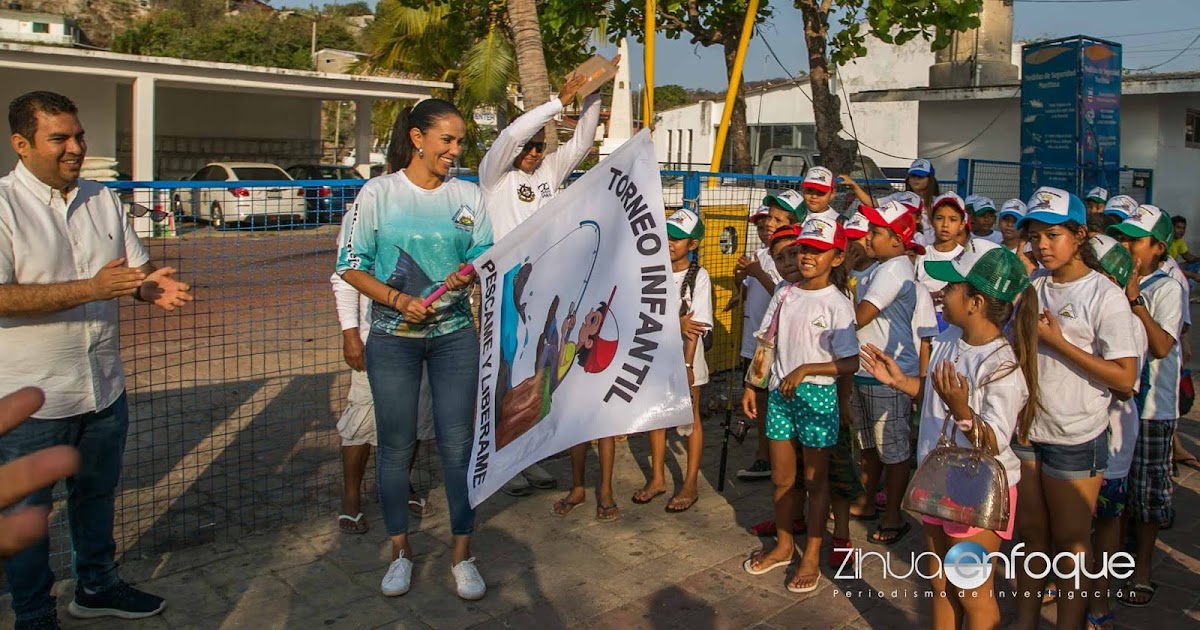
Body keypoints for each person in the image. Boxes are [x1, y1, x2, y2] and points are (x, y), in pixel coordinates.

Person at [0, 91, 193, 628]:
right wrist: (94, 287)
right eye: (59, 138)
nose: (75, 148)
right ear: (22, 144)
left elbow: (131, 268)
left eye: (78, 136)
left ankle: (97, 586)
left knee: (96, 497)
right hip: (31, 399)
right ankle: (34, 614)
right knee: (25, 513)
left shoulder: (100, 198)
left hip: (102, 387)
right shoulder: (3, 205)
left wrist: (149, 287)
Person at [336, 98, 493, 601]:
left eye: (461, 141)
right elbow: (351, 265)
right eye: (447, 139)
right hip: (392, 340)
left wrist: (468, 271)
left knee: (457, 445)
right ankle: (400, 552)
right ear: (417, 138)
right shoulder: (378, 193)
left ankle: (462, 557)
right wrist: (398, 299)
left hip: (454, 337)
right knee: (396, 445)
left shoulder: (469, 196)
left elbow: (485, 254)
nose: (455, 149)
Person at [862, 238, 1038, 630]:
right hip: (938, 479)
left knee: (971, 593)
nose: (942, 292)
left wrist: (962, 410)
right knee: (940, 584)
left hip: (977, 491)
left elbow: (993, 441)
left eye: (953, 287)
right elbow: (933, 393)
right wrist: (904, 382)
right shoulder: (947, 340)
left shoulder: (1001, 366)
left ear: (975, 302)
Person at [479, 69, 610, 498]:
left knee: (537, 370)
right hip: (506, 283)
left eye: (540, 146)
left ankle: (526, 456)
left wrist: (592, 96)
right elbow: (512, 135)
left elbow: (584, 143)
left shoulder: (549, 173)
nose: (535, 152)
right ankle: (501, 459)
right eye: (529, 147)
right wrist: (559, 101)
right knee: (505, 371)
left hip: (547, 281)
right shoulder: (494, 175)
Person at [1013, 187, 1139, 630]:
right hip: (1029, 434)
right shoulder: (1032, 286)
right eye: (1034, 236)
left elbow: (1125, 377)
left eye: (1052, 235)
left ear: (1079, 234)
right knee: (1031, 541)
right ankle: (1025, 622)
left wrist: (1059, 343)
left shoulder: (1104, 296)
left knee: (1072, 546)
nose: (1041, 245)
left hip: (1075, 438)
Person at [741, 217, 859, 594]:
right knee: (781, 478)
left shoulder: (839, 304)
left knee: (816, 480)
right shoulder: (785, 293)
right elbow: (767, 342)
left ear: (836, 259)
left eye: (817, 250)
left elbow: (850, 362)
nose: (807, 256)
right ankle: (783, 544)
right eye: (804, 248)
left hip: (818, 398)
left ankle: (811, 555)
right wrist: (752, 385)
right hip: (778, 395)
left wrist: (808, 368)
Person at [330, 213, 437, 534]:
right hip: (375, 337)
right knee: (362, 420)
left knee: (416, 418)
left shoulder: (440, 207)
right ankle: (351, 499)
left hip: (426, 336)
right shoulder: (366, 211)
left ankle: (399, 485)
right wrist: (350, 335)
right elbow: (344, 275)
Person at [1106, 204, 1184, 609]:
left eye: (1135, 240)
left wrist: (1135, 300)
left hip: (1153, 405)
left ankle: (1143, 571)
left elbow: (1161, 345)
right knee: (1116, 490)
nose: (1126, 245)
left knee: (1148, 494)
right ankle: (1116, 564)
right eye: (1123, 238)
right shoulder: (1115, 280)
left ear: (1158, 247)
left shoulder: (1169, 286)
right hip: (1120, 403)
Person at [852, 199, 924, 546]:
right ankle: (868, 500)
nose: (868, 237)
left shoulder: (893, 269)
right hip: (868, 368)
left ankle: (894, 512)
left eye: (876, 232)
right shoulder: (877, 267)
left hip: (889, 372)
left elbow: (859, 317)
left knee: (892, 448)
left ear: (898, 240)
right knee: (869, 443)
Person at [633, 208, 712, 513]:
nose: (669, 242)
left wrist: (688, 366)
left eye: (677, 239)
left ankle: (690, 483)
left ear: (692, 245)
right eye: (666, 235)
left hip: (686, 358)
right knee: (657, 415)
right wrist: (674, 323)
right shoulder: (652, 271)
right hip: (655, 355)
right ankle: (657, 479)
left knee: (690, 418)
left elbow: (696, 327)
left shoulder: (699, 277)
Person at [1085, 235, 1144, 630]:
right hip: (1080, 431)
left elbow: (1124, 384)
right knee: (1075, 521)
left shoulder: (1123, 316)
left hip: (1111, 433)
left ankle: (1099, 599)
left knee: (1105, 520)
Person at [731, 204, 790, 482]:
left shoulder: (785, 258)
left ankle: (765, 456)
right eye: (763, 222)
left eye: (776, 220)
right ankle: (764, 453)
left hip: (770, 345)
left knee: (766, 402)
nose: (768, 226)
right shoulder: (759, 255)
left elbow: (779, 292)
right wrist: (740, 277)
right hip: (753, 342)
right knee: (757, 399)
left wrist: (756, 272)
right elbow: (744, 290)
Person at [0, 387, 79, 559]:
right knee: (25, 511)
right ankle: (27, 586)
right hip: (32, 407)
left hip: (100, 399)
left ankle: (97, 583)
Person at [915, 192, 968, 332]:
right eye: (939, 218)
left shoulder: (966, 257)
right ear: (932, 220)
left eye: (952, 219)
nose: (945, 225)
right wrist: (928, 297)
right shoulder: (921, 255)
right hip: (922, 320)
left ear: (962, 224)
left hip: (955, 323)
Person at [904, 158, 940, 238]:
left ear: (930, 179)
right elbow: (873, 203)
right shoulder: (899, 197)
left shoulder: (937, 201)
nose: (916, 179)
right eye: (913, 176)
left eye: (920, 176)